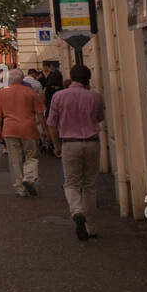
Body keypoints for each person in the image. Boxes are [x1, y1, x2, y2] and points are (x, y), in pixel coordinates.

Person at [47, 64, 104, 241]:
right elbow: (99, 118)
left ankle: (77, 211)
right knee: (90, 185)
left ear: (71, 77)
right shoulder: (95, 97)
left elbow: (52, 124)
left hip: (70, 144)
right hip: (92, 143)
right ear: (88, 78)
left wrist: (56, 146)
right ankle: (91, 227)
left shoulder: (59, 96)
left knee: (71, 183)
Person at [0, 69, 46, 197]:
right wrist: (45, 130)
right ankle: (29, 177)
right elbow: (40, 113)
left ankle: (20, 189)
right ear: (22, 79)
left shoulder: (2, 93)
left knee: (15, 160)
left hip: (10, 129)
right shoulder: (30, 92)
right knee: (31, 156)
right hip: (29, 129)